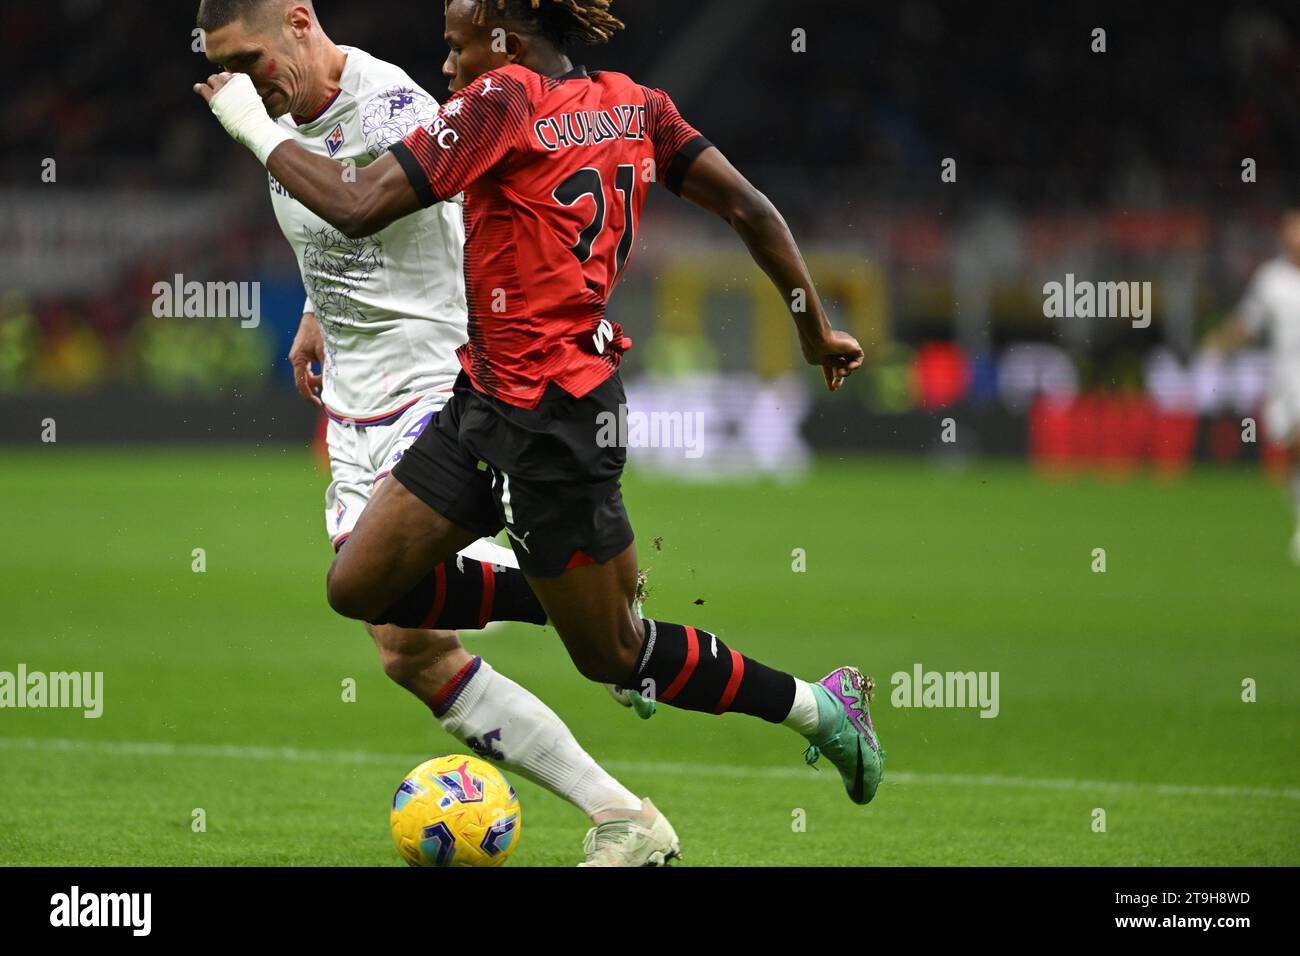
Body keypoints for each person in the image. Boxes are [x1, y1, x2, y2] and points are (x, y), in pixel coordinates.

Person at [195, 0, 885, 808]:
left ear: (507, 44)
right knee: (359, 587)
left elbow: (356, 206)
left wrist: (251, 124)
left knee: (616, 657)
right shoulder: (639, 106)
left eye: (455, 51)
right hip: (482, 401)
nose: (445, 69)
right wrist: (813, 328)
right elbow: (750, 208)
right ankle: (567, 596)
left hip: (556, 420)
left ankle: (817, 707)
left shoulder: (501, 102)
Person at [195, 0, 679, 866]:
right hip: (354, 394)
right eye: (221, 63)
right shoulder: (282, 106)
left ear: (300, 22)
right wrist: (317, 306)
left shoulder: (393, 105)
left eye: (249, 56)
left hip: (438, 372)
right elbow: (339, 223)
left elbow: (424, 205)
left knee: (392, 596)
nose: (240, 78)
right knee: (407, 649)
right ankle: (622, 795)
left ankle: (604, 623)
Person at [1206, 209, 1300, 564]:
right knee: (1290, 449)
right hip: (1284, 376)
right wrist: (1220, 342)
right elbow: (1249, 321)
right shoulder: (1272, 279)